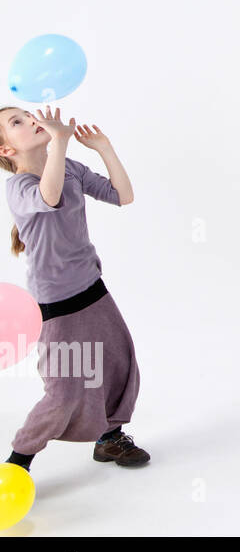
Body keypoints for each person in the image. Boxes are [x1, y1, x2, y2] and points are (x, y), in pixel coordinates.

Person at [1, 106, 148, 472]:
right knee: (64, 392)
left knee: (118, 365)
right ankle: (19, 460)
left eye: (26, 114)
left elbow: (123, 195)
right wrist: (61, 141)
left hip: (92, 289)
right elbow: (48, 197)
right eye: (15, 122)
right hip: (57, 304)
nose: (31, 120)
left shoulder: (69, 168)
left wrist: (104, 148)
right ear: (6, 150)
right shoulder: (17, 187)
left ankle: (109, 438)